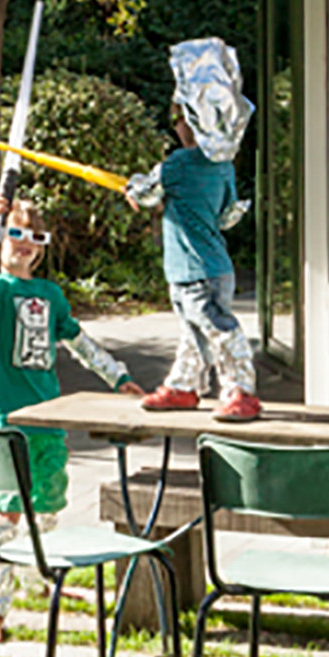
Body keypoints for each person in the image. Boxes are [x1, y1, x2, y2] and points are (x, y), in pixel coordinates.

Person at [0, 191, 143, 560]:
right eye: (16, 234)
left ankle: (45, 575)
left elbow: (79, 342)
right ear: (0, 240)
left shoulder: (50, 294)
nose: (27, 245)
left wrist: (116, 376)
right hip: (6, 422)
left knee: (49, 509)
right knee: (7, 513)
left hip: (48, 421)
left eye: (36, 237)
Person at [125, 38, 260, 422]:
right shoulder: (223, 167)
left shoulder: (180, 163)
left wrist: (134, 190)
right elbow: (227, 215)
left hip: (195, 269)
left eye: (181, 118)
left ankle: (242, 391)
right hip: (208, 267)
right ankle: (184, 386)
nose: (180, 127)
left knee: (216, 327)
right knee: (193, 332)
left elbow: (148, 191)